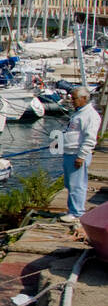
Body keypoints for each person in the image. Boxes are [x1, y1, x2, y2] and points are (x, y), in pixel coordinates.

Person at [61, 86, 102, 223]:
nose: (72, 101)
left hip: (76, 155)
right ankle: (72, 209)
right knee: (70, 184)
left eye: (74, 98)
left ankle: (77, 213)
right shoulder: (79, 113)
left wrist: (81, 156)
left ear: (84, 98)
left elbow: (90, 138)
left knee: (77, 184)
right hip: (69, 152)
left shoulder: (90, 115)